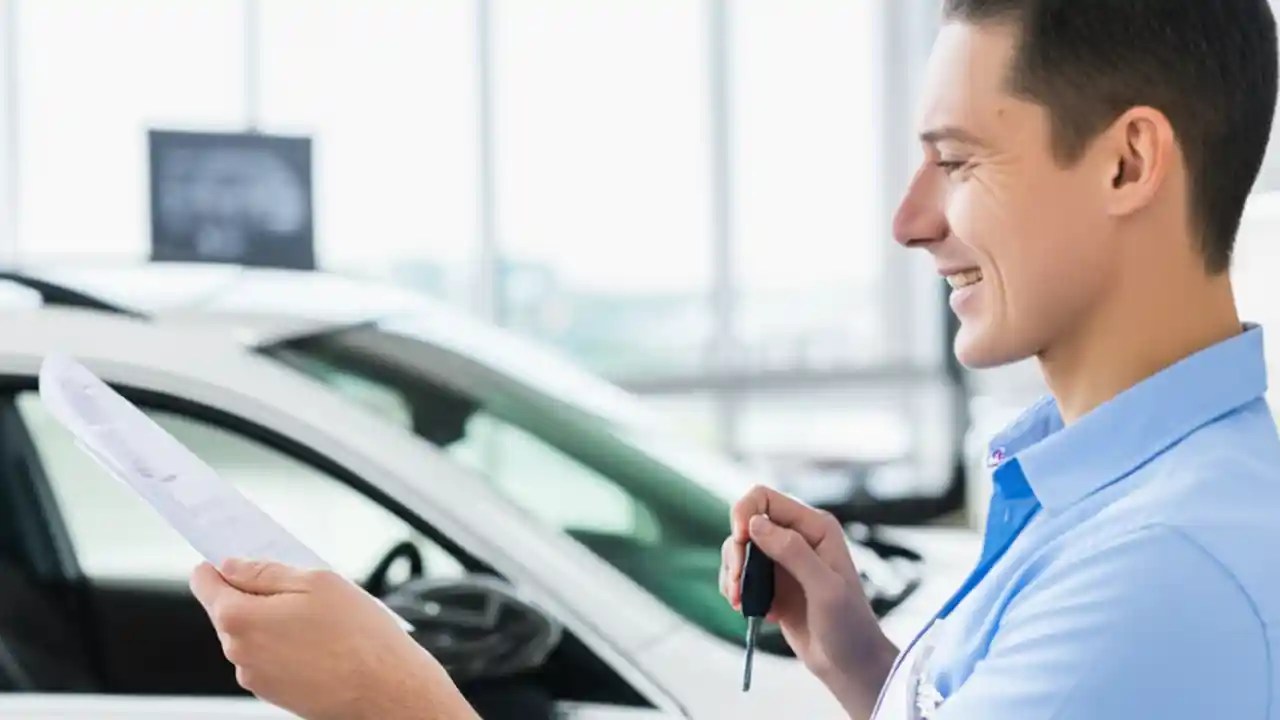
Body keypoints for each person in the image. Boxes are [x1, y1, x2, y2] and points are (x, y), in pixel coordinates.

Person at [189, 1, 1280, 718]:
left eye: (955, 161)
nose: (908, 221)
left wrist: (394, 700)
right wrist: (864, 665)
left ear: (1127, 161)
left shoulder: (1159, 574)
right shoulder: (1103, 502)